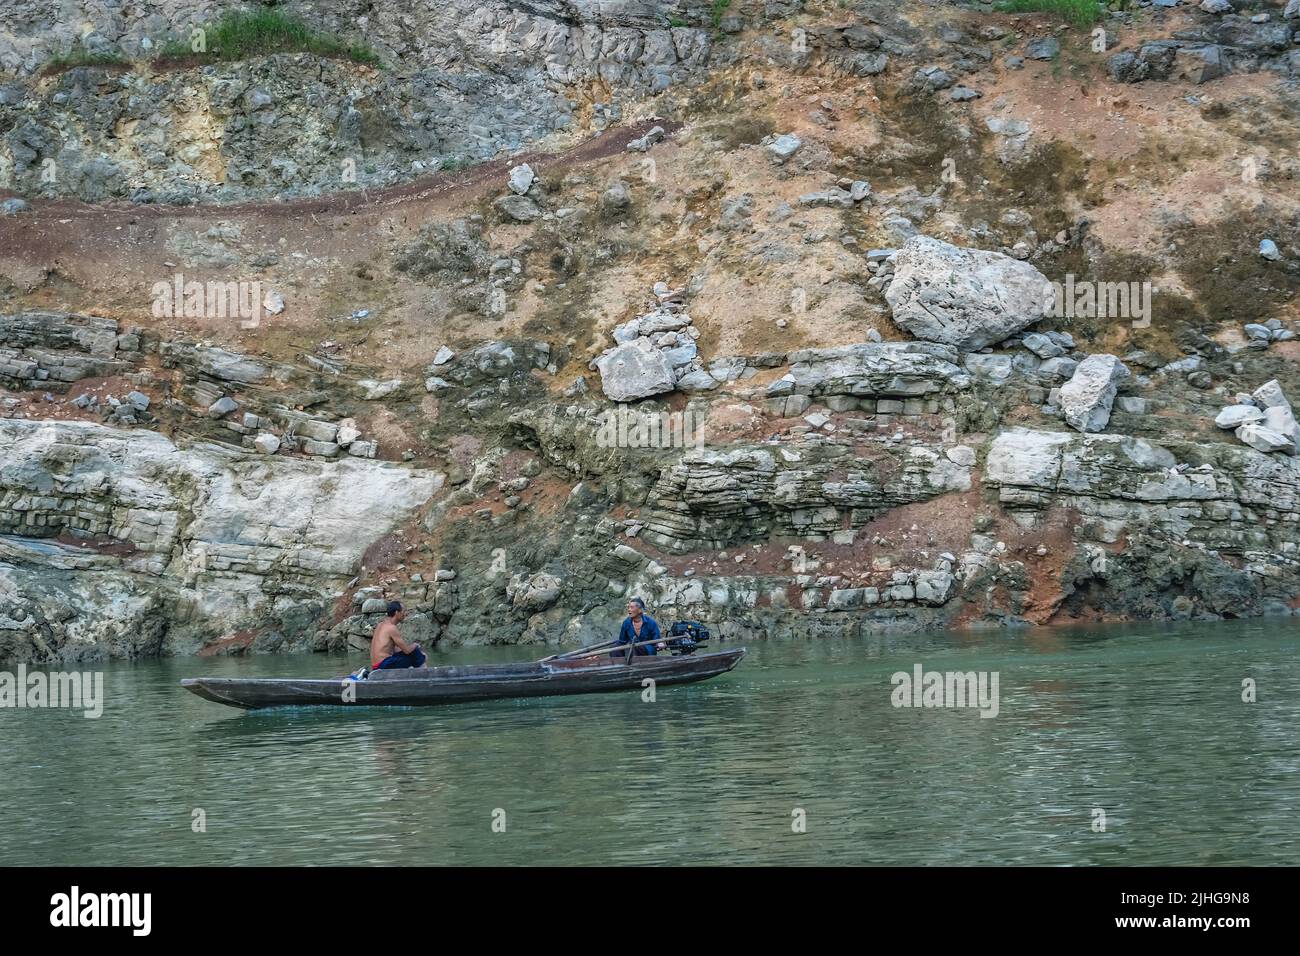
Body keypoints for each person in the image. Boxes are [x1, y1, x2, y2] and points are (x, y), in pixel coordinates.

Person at [370, 601, 427, 670]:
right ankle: (424, 674)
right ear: (397, 613)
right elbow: (407, 651)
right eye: (404, 611)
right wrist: (415, 645)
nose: (406, 613)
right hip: (383, 665)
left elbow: (394, 649)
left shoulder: (381, 625)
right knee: (415, 651)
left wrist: (421, 655)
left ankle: (418, 672)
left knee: (418, 655)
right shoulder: (391, 628)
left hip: (376, 666)